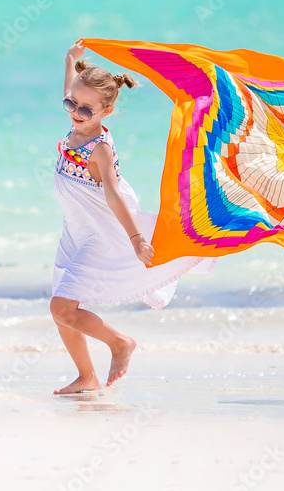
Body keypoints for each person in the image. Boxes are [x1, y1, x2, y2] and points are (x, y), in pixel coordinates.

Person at [50, 38, 216, 394]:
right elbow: (71, 89)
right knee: (64, 308)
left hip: (102, 233)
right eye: (70, 104)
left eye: (85, 110)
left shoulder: (100, 148)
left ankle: (120, 343)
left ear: (105, 112)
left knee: (62, 307)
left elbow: (111, 193)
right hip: (77, 230)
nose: (74, 112)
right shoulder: (78, 121)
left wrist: (137, 239)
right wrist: (69, 59)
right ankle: (87, 377)